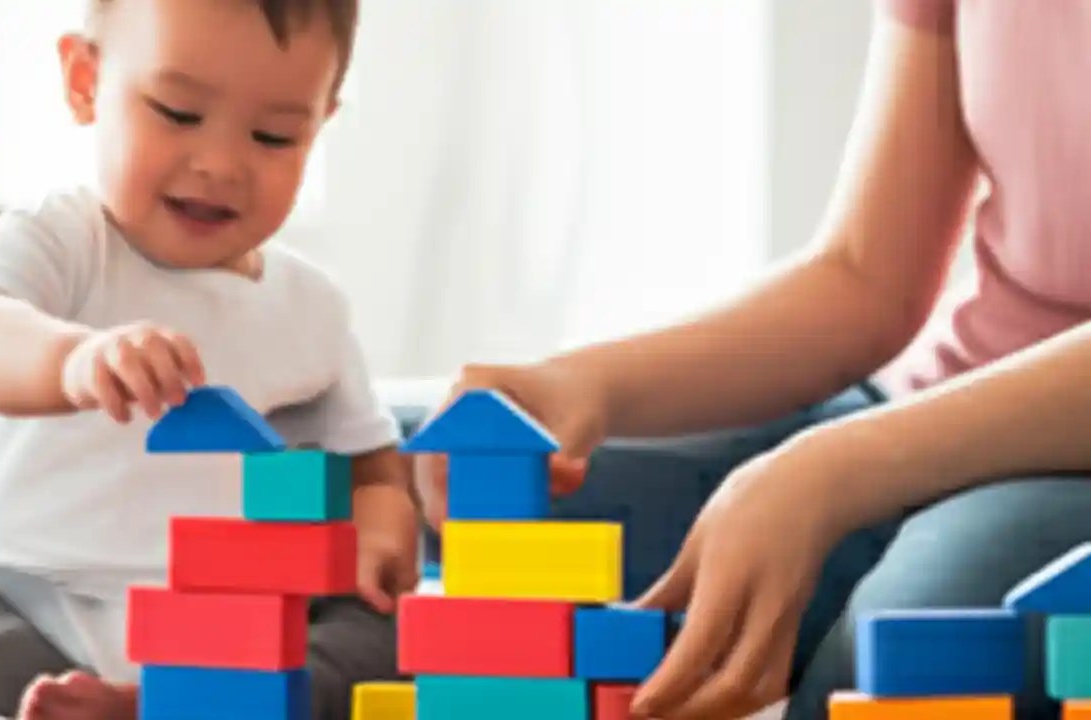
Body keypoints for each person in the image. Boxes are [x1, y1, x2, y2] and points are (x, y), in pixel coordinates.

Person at [417, 2, 1091, 718]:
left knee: (901, 660)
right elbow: (865, 278)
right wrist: (585, 382)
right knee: (399, 489)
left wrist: (831, 471)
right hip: (913, 406)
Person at [0, 1, 419, 719]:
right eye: (177, 112)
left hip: (241, 637)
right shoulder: (62, 240)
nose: (222, 164)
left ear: (320, 127)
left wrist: (380, 530)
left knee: (395, 633)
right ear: (85, 81)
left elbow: (376, 466)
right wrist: (74, 359)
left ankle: (173, 705)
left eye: (273, 136)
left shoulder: (311, 308)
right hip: (20, 614)